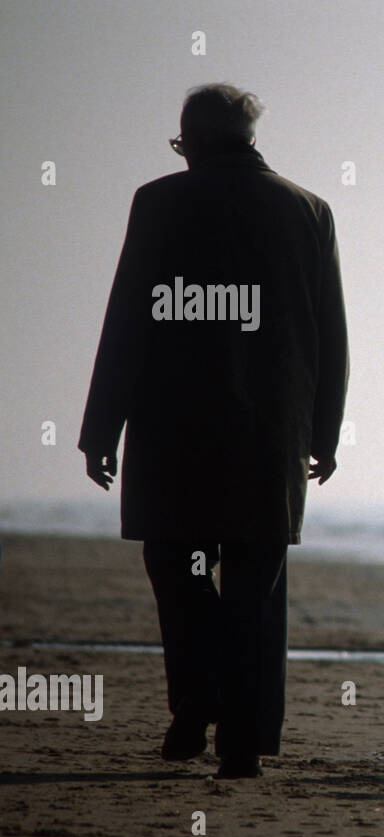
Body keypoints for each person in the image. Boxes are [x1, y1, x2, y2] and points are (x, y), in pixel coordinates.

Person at [78, 83, 349, 778]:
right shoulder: (308, 211)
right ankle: (241, 737)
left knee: (178, 572)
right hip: (269, 437)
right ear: (252, 139)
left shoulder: (160, 202)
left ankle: (197, 704)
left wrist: (100, 426)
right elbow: (330, 337)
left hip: (174, 435)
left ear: (190, 143)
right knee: (253, 585)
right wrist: (326, 431)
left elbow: (127, 322)